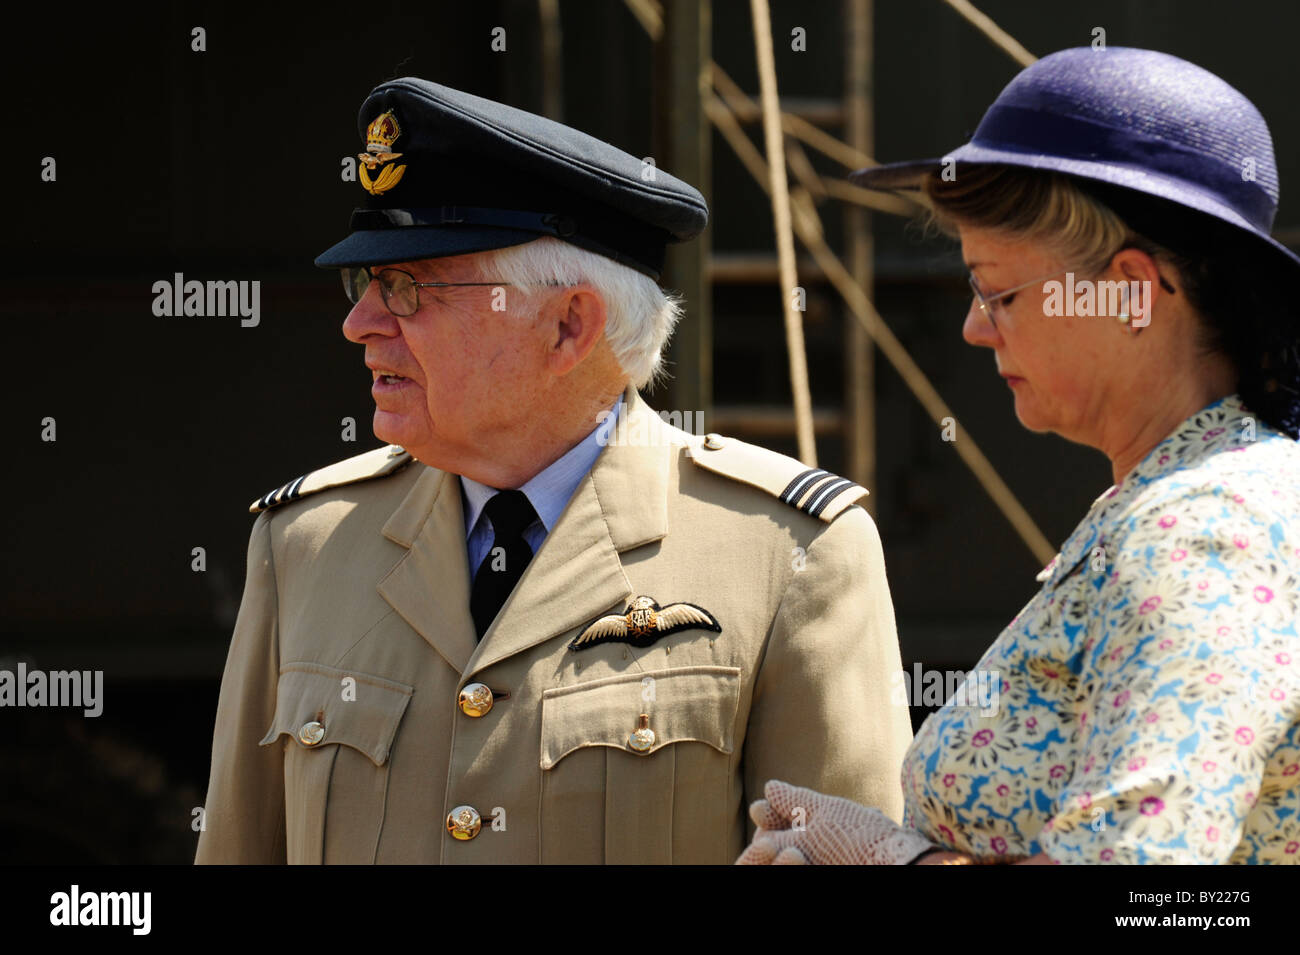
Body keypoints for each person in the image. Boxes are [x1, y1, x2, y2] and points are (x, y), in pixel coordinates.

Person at [195, 77, 914, 864]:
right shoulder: (305, 542)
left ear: (570, 323)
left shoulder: (790, 554)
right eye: (363, 285)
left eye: (406, 288)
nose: (360, 322)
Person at [740, 46, 1300, 865]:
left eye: (999, 291)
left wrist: (893, 860)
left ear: (1132, 292)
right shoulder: (1176, 498)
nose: (975, 326)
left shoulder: (1201, 530)